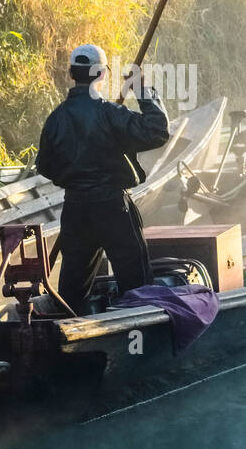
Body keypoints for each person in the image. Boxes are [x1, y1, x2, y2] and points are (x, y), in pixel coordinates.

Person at [35, 45, 170, 314]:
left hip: (75, 210)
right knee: (137, 286)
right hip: (112, 209)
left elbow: (46, 166)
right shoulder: (110, 113)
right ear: (102, 75)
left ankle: (71, 339)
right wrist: (140, 88)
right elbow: (157, 130)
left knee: (72, 291)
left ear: (72, 74)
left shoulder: (55, 119)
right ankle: (138, 343)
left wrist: (76, 179)